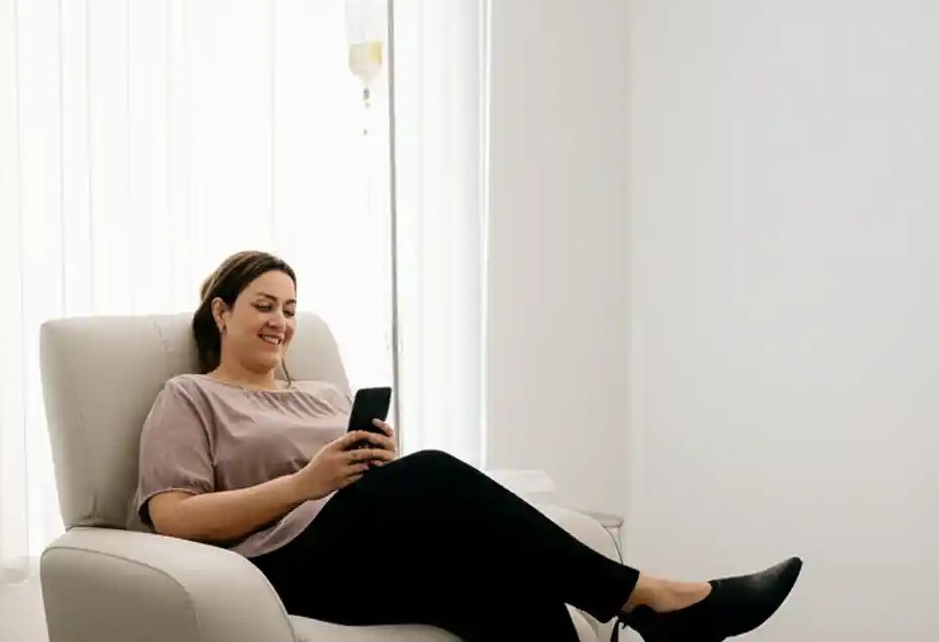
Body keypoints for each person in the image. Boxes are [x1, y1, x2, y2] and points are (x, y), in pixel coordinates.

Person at [133, 250, 802, 642]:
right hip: (284, 566)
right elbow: (172, 516)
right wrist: (309, 481)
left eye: (289, 308)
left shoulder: (323, 395)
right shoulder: (190, 397)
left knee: (511, 589)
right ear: (222, 312)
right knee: (429, 473)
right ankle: (649, 598)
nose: (280, 321)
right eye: (263, 305)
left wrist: (371, 470)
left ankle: (652, 607)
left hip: (367, 552)